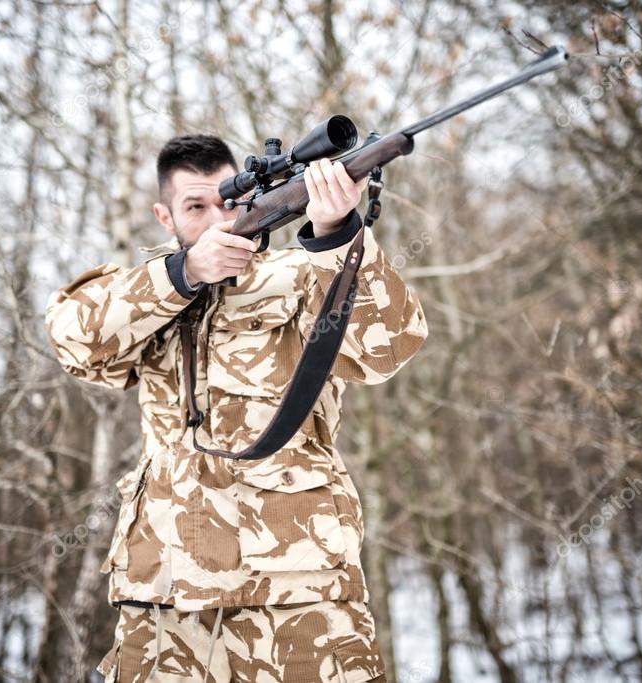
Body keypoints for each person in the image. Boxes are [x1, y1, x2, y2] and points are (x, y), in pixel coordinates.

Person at [43, 134, 428, 682]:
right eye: (194, 207)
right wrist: (186, 275)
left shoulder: (300, 276)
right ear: (164, 215)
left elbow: (389, 347)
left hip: (298, 590)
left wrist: (338, 235)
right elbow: (72, 339)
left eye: (227, 200)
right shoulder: (151, 293)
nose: (216, 217)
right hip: (165, 597)